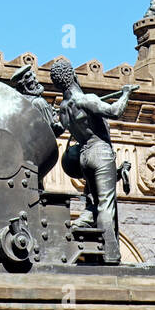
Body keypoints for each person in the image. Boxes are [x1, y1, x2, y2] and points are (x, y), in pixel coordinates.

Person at [48, 58, 133, 264]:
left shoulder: (64, 109)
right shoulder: (86, 99)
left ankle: (79, 228)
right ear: (74, 76)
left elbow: (59, 128)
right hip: (100, 151)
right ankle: (111, 253)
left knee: (92, 203)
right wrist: (125, 94)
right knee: (105, 204)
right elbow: (115, 111)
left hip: (84, 157)